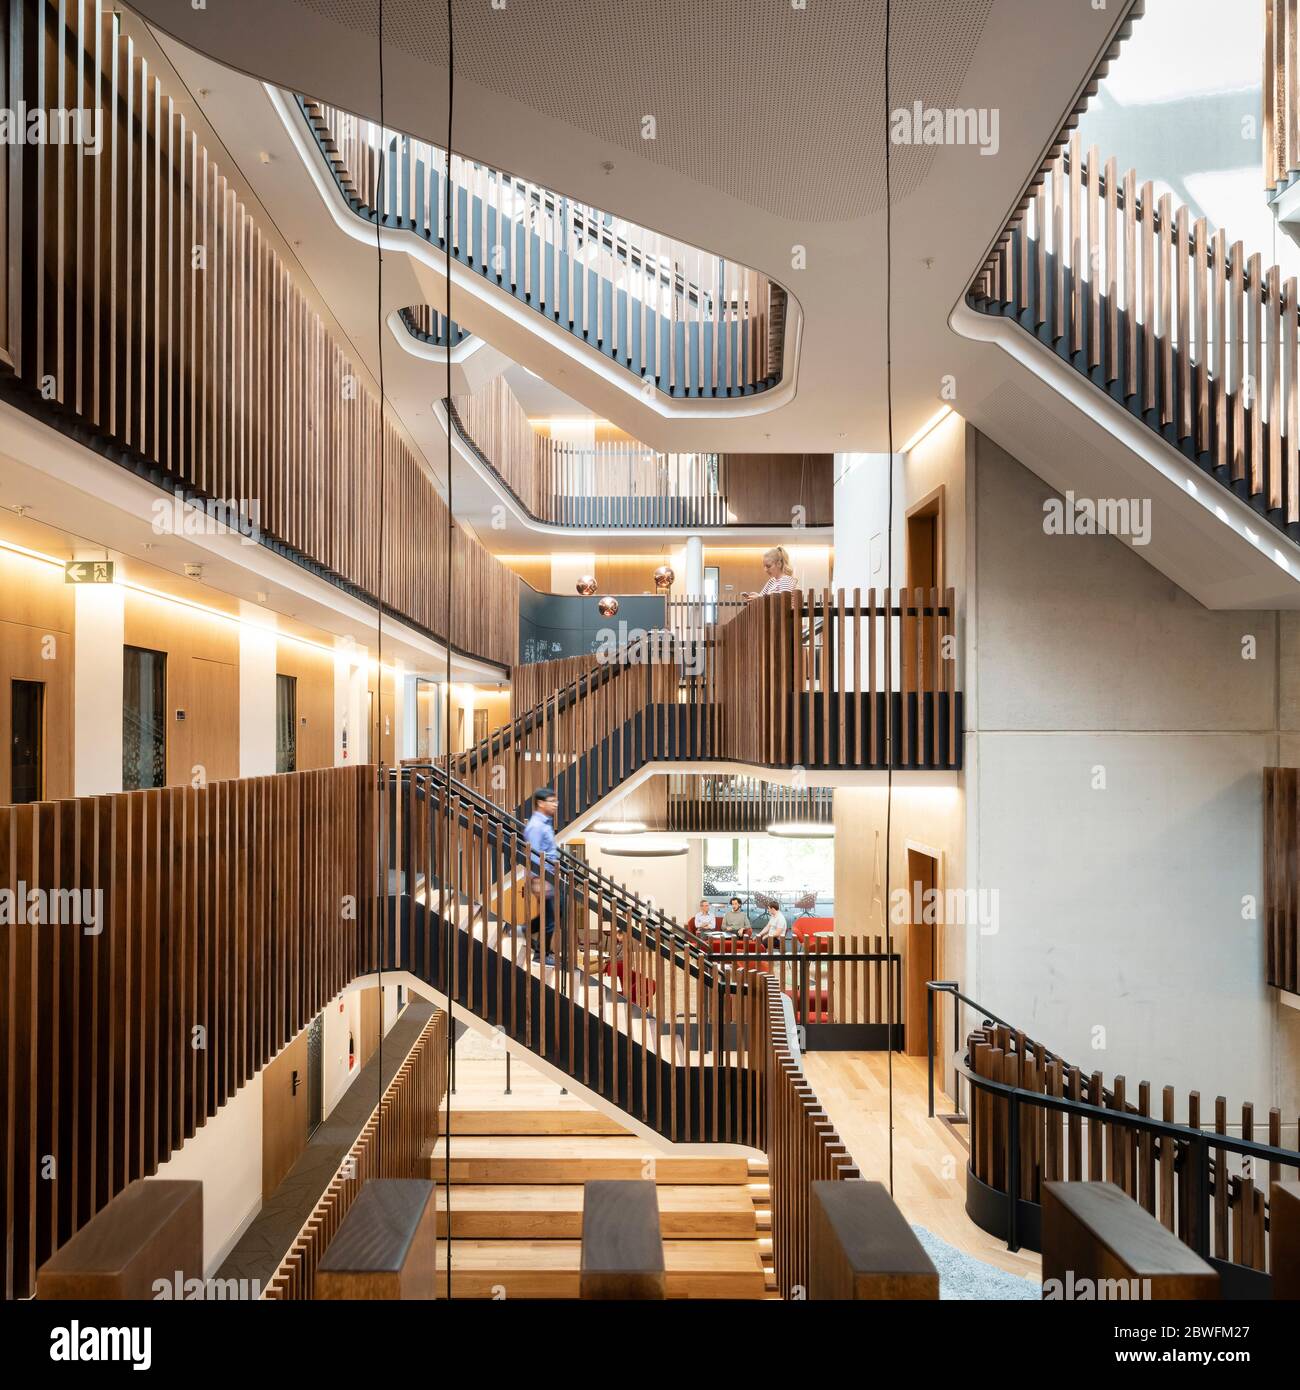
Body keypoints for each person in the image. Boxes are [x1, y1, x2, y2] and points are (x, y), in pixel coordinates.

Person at [523, 786, 559, 966]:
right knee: (550, 919)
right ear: (540, 803)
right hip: (543, 877)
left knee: (553, 915)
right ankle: (541, 956)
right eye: (552, 802)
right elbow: (534, 855)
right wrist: (537, 879)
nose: (555, 805)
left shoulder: (543, 823)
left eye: (555, 801)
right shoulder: (536, 826)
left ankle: (524, 930)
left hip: (548, 876)